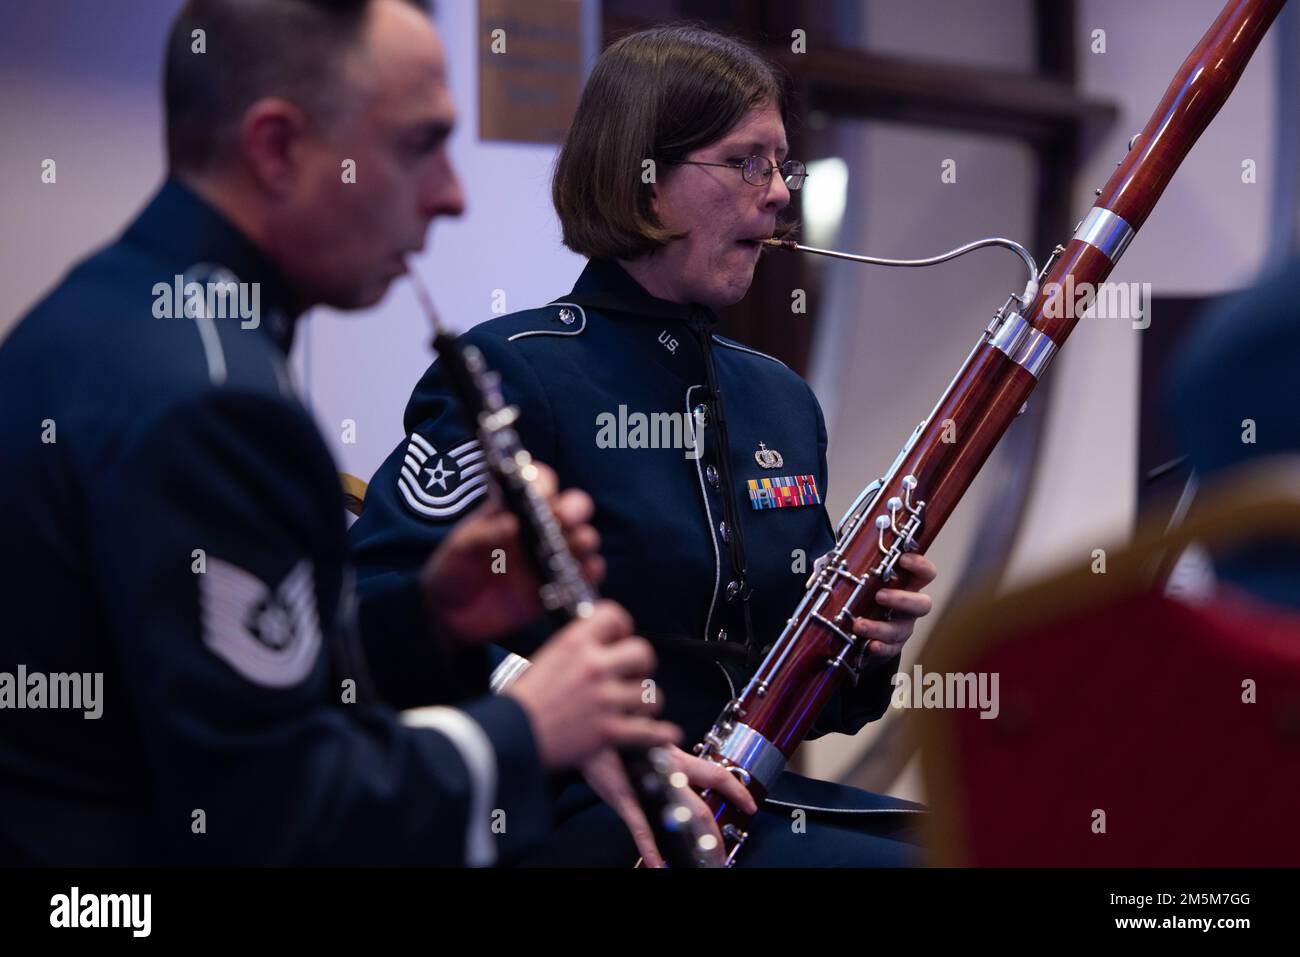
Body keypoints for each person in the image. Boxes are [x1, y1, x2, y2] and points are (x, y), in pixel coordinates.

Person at [0, 0, 679, 866]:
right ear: (277, 148)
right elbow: (270, 819)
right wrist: (525, 726)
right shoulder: (216, 399)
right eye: (418, 145)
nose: (453, 195)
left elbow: (216, 692)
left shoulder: (113, 312)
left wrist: (426, 621)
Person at [349, 24, 939, 866]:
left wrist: (872, 647)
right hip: (570, 805)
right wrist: (547, 707)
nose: (778, 194)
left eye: (783, 165)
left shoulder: (778, 397)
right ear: (645, 181)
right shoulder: (515, 371)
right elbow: (376, 600)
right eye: (746, 162)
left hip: (744, 803)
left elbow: (823, 697)